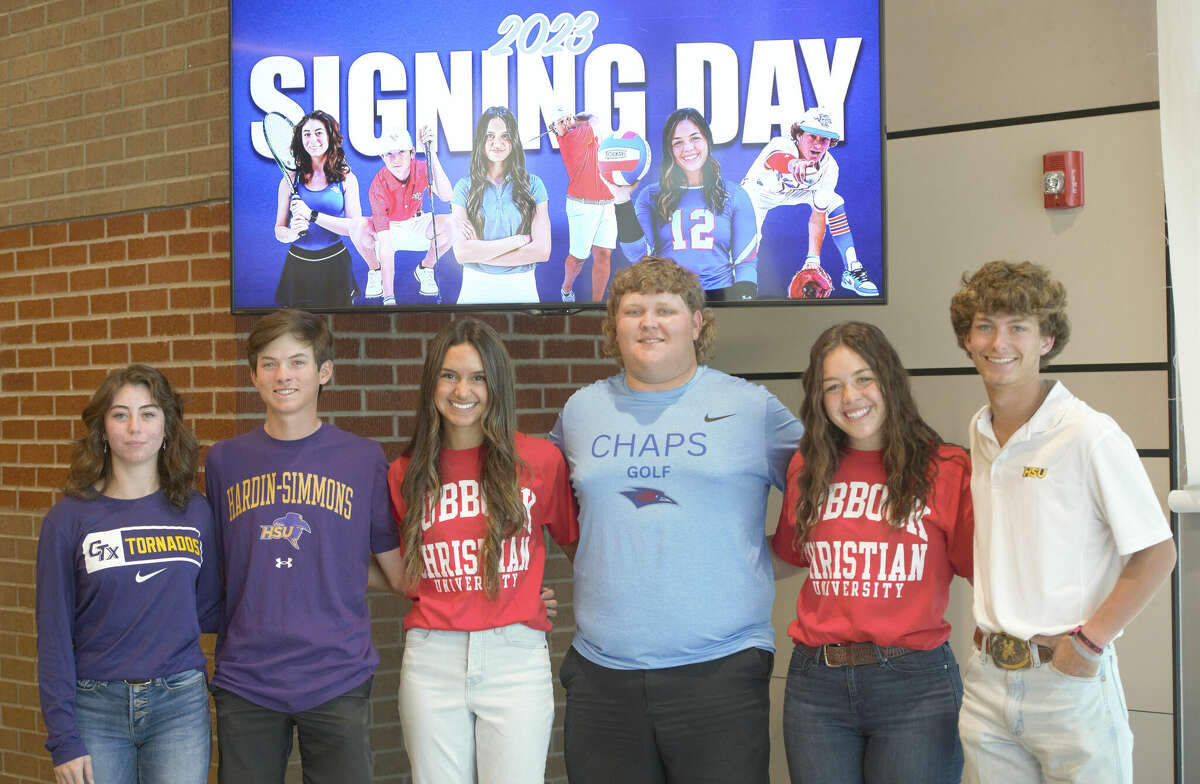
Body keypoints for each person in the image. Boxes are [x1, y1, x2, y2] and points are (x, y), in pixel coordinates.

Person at [549, 256, 804, 783]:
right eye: (633, 311)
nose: (649, 323)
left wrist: (769, 559)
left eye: (665, 309)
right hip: (602, 676)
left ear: (697, 323)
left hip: (721, 669)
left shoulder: (751, 408)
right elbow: (554, 511)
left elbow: (827, 489)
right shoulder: (580, 411)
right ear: (614, 326)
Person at [949, 261, 1176, 783]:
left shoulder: (1089, 434)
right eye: (985, 326)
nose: (998, 342)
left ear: (1046, 340)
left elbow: (1157, 552)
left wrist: (1090, 644)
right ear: (967, 339)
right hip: (987, 684)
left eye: (1018, 327)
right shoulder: (980, 430)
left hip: (1067, 681)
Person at [204, 309, 405, 783]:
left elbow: (398, 574)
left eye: (297, 361)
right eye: (269, 363)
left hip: (336, 673)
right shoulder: (224, 462)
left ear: (324, 371)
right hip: (247, 677)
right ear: (253, 375)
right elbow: (222, 563)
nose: (283, 375)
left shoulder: (362, 458)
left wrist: (511, 592)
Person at [771, 322, 972, 784]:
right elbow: (788, 555)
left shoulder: (946, 467)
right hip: (816, 686)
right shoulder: (808, 466)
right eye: (832, 386)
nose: (850, 397)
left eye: (864, 379)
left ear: (890, 380)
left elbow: (986, 572)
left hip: (915, 684)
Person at [387, 318, 578, 783]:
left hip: (516, 655)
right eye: (449, 375)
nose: (462, 390)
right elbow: (399, 571)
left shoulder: (540, 461)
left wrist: (526, 592)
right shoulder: (405, 473)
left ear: (498, 386)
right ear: (432, 383)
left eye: (478, 377)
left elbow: (580, 549)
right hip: (432, 657)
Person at [36, 365, 220, 784]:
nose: (134, 427)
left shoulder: (195, 511)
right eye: (120, 415)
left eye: (148, 413)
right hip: (95, 707)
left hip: (179, 704)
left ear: (167, 426)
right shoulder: (67, 520)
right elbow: (53, 636)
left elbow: (208, 609)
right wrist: (63, 737)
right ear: (102, 429)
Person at [609, 108, 758, 300]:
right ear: (670, 150)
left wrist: (743, 305)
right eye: (677, 142)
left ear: (707, 140)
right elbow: (637, 255)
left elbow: (745, 262)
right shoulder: (652, 196)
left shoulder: (735, 195)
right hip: (668, 298)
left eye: (695, 138)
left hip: (720, 298)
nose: (687, 148)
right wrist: (622, 199)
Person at [741, 107, 879, 297]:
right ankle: (741, 285)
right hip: (758, 193)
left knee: (834, 201)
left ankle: (852, 270)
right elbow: (776, 159)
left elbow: (818, 213)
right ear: (798, 135)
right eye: (812, 136)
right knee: (748, 243)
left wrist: (813, 259)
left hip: (795, 193)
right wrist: (793, 163)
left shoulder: (830, 168)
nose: (817, 144)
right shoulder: (781, 144)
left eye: (824, 139)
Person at [272, 109, 373, 308]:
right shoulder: (289, 180)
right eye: (306, 134)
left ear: (330, 136)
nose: (313, 140)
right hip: (297, 265)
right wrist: (293, 233)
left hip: (335, 263)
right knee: (298, 325)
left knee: (340, 324)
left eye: (319, 133)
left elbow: (355, 228)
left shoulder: (346, 179)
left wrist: (312, 215)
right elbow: (279, 230)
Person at [451, 106, 551, 304]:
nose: (497, 143)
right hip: (475, 288)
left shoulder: (534, 185)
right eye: (490, 136)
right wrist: (518, 240)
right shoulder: (464, 187)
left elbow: (542, 251)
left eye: (505, 136)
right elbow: (462, 253)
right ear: (481, 140)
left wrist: (480, 253)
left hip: (522, 288)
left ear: (514, 141)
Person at [366, 125, 456, 303]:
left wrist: (431, 153)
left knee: (453, 224)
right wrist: (389, 297)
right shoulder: (378, 186)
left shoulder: (421, 168)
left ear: (412, 152)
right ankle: (376, 271)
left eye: (401, 152)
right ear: (382, 157)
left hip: (416, 224)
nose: (396, 159)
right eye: (389, 154)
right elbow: (385, 243)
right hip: (390, 231)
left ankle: (426, 267)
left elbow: (447, 195)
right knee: (360, 228)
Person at [549, 108, 616, 302]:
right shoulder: (572, 139)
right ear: (555, 130)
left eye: (568, 118)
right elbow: (594, 119)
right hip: (583, 206)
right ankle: (566, 289)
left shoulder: (582, 133)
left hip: (607, 204)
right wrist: (578, 119)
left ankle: (596, 304)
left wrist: (575, 120)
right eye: (561, 122)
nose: (567, 123)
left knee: (603, 254)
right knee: (578, 258)